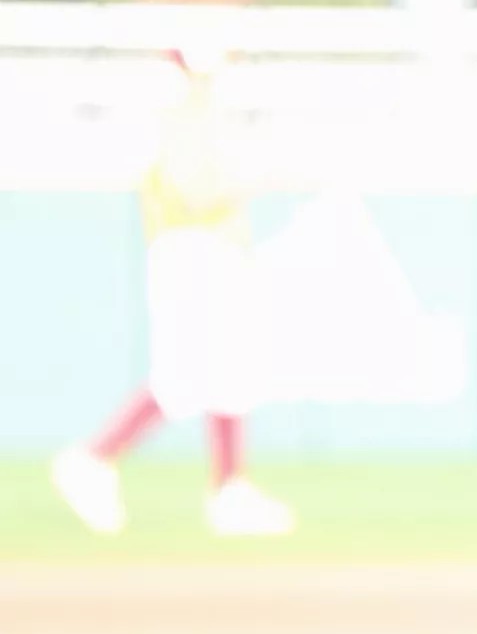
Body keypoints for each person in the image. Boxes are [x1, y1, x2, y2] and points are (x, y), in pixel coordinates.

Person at [50, 46, 295, 538]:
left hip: (208, 253)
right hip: (191, 253)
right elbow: (196, 193)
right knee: (186, 375)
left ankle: (229, 489)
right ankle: (95, 459)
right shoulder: (182, 116)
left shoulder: (198, 116)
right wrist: (259, 179)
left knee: (229, 371)